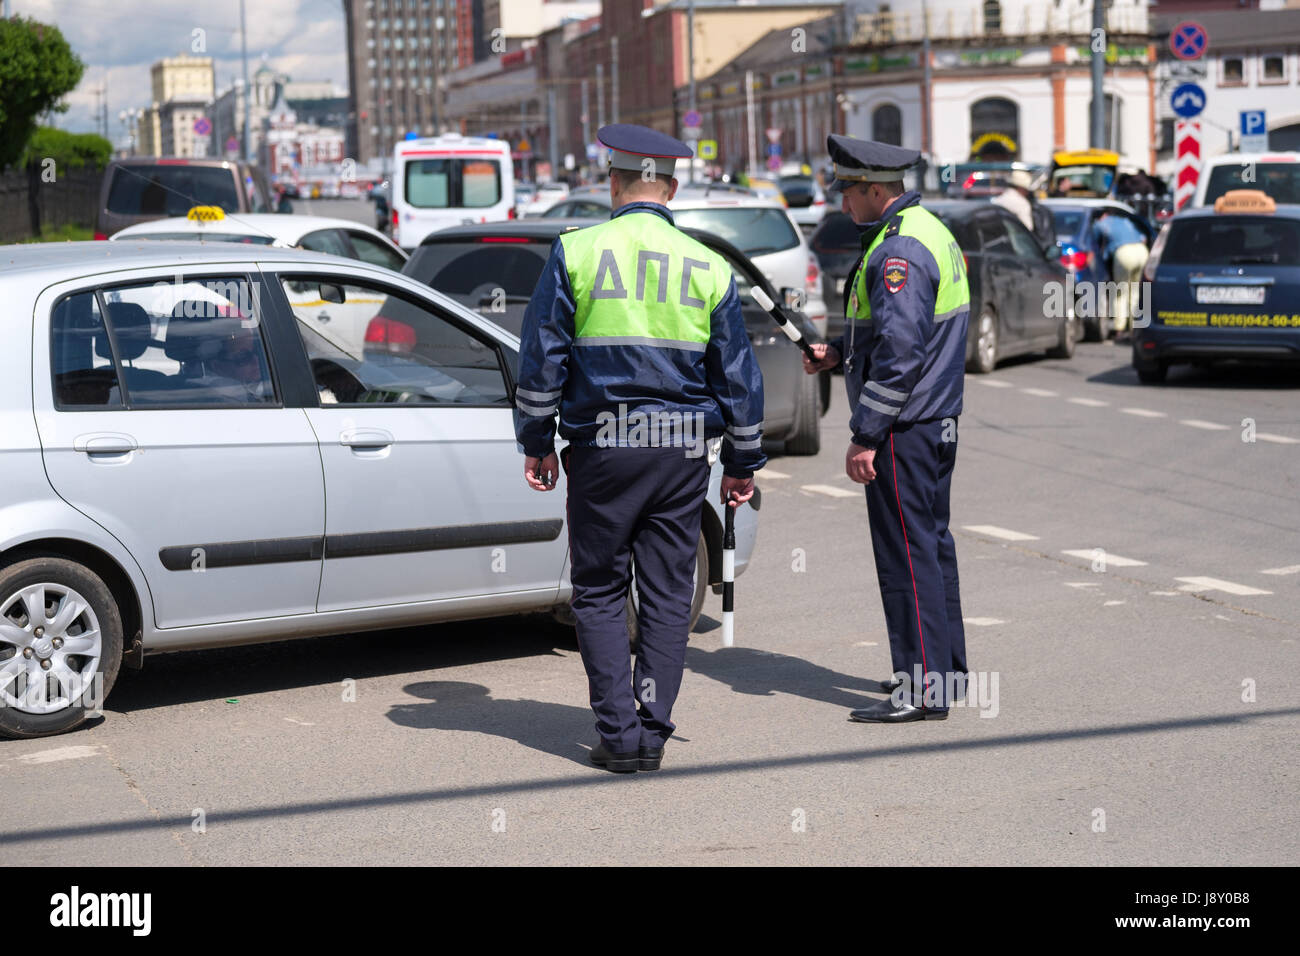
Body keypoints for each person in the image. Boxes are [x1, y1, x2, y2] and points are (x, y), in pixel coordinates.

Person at [515, 123, 766, 772]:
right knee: (665, 593)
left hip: (606, 448)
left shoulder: (576, 251)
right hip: (681, 453)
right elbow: (738, 375)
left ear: (613, 183)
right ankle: (652, 732)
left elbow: (543, 358)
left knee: (599, 591)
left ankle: (619, 737)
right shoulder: (709, 265)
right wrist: (742, 463)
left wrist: (537, 441)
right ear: (673, 189)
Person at [802, 134, 970, 723]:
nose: (843, 204)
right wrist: (840, 353)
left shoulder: (896, 253)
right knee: (932, 546)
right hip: (936, 419)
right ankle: (944, 673)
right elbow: (905, 335)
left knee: (904, 556)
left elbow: (902, 354)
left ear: (876, 190)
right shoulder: (930, 230)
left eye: (848, 193)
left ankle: (922, 687)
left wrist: (866, 433)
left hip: (904, 425)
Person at [1090, 209, 1149, 341]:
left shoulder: (1100, 224)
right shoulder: (1124, 221)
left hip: (1124, 253)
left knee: (1120, 293)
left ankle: (1119, 329)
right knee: (1135, 292)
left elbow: (1095, 244)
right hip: (1142, 251)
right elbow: (1143, 238)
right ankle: (1135, 328)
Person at [992, 168, 1055, 250]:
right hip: (1017, 248)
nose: (1028, 192)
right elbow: (1027, 230)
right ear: (1021, 188)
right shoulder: (1022, 204)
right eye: (1027, 190)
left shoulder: (997, 200)